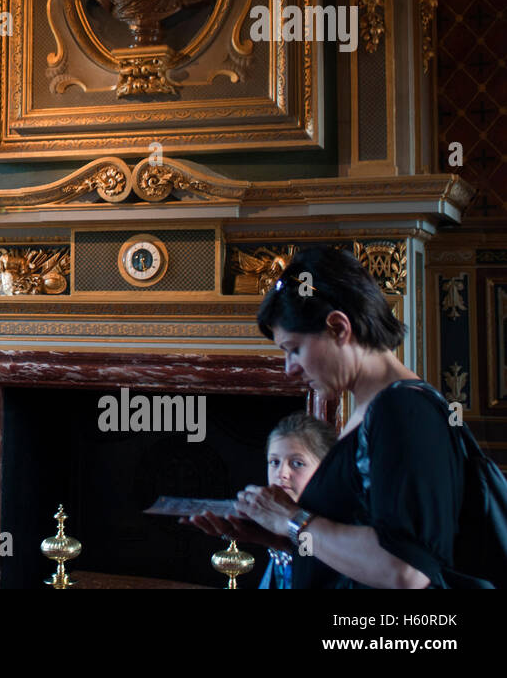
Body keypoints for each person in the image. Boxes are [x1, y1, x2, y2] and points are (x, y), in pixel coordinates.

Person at [185, 245, 463, 588]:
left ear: (338, 328)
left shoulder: (403, 411)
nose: (289, 370)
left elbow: (405, 571)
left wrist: (290, 519)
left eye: (294, 349)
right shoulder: (374, 409)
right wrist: (279, 537)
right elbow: (364, 544)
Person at [258, 412, 336, 589]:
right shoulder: (276, 519)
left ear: (325, 470)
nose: (281, 474)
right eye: (274, 462)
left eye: (297, 463)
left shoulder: (330, 527)